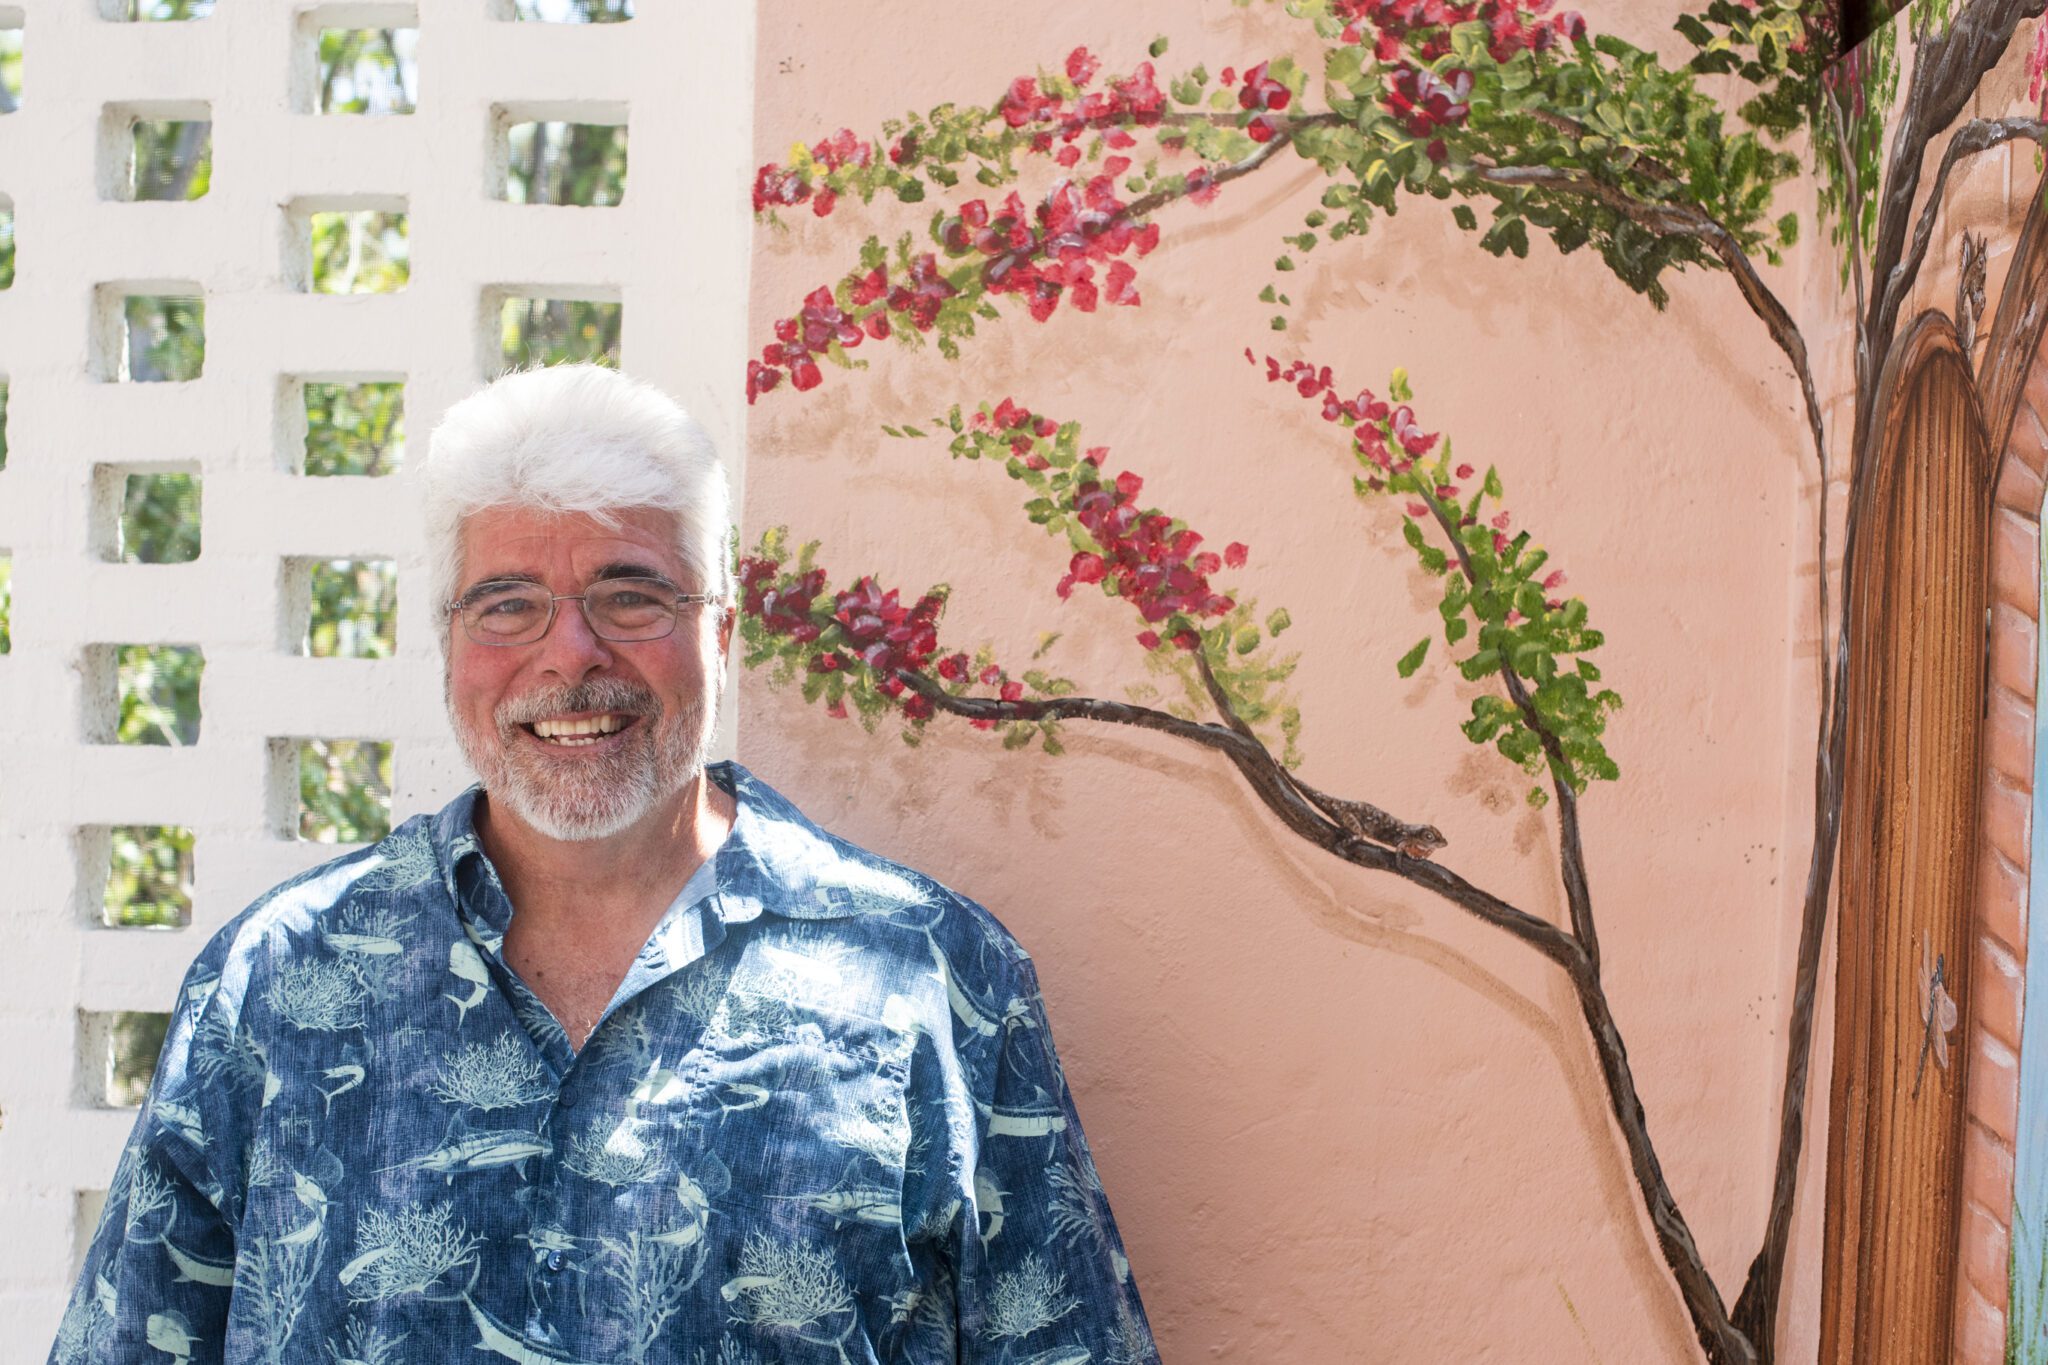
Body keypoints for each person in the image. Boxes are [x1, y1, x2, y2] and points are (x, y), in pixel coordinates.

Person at [49, 365, 1160, 1364]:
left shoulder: (934, 979)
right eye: (508, 604)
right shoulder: (276, 984)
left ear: (718, 628)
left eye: (630, 594)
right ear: (446, 643)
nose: (570, 653)